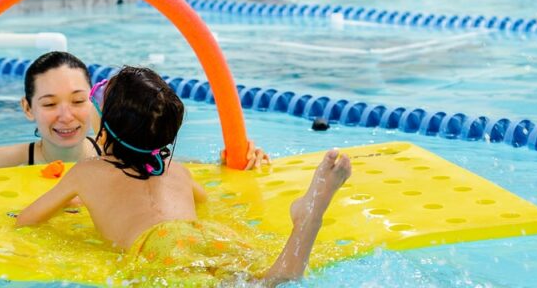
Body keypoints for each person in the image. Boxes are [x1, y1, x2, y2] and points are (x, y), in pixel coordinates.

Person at [17, 66, 350, 286]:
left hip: (159, 249)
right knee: (254, 280)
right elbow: (206, 202)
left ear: (104, 130)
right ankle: (306, 220)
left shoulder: (86, 173)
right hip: (205, 234)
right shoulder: (178, 171)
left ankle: (307, 221)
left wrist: (76, 203)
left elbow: (26, 221)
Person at [0, 52, 274, 193]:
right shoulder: (0, 162)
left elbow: (193, 179)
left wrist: (239, 163)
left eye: (76, 101)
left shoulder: (127, 155)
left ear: (95, 105)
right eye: (49, 103)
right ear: (28, 109)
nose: (67, 116)